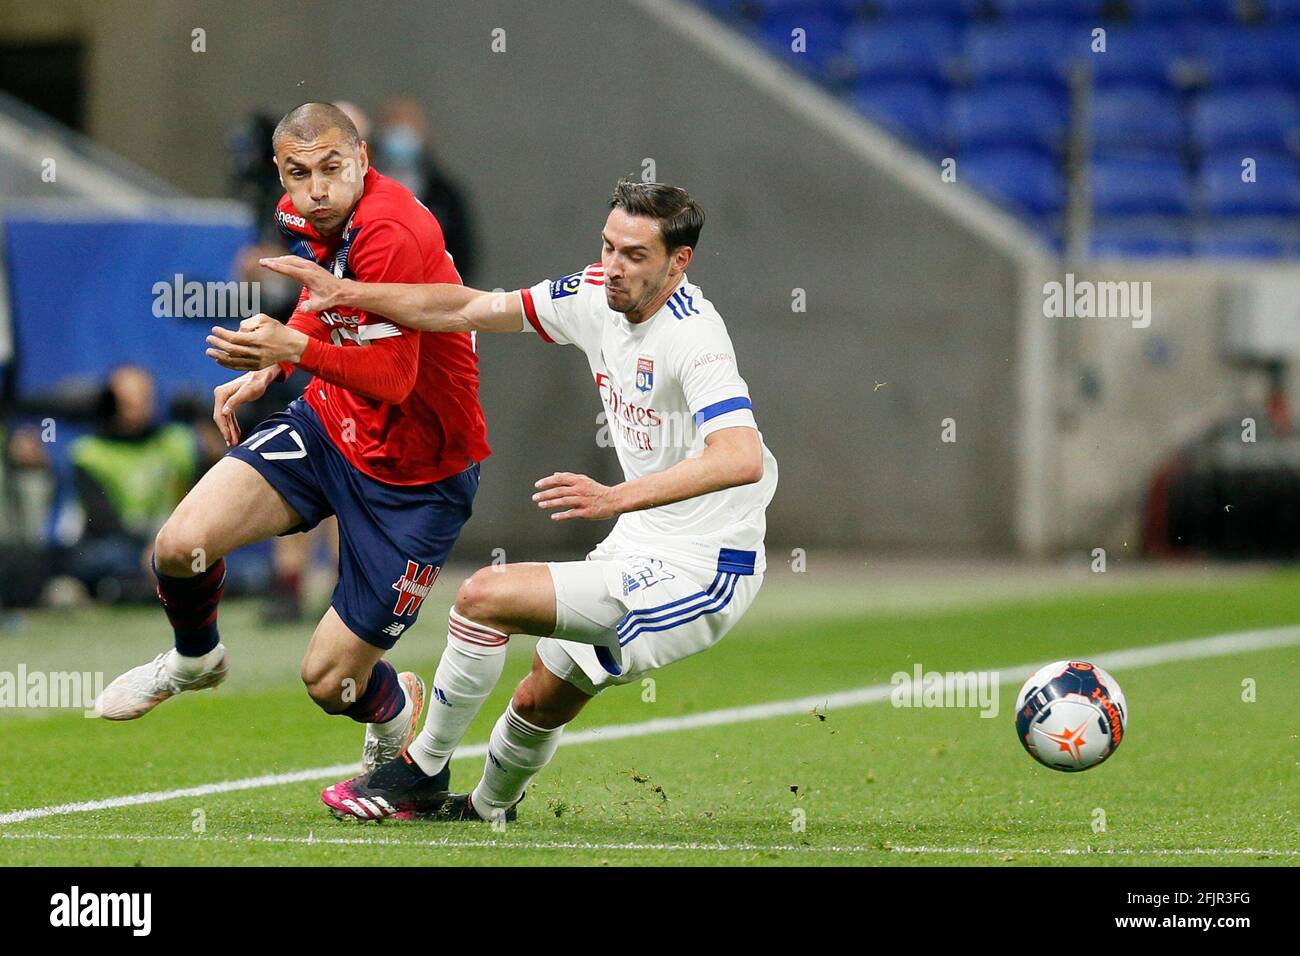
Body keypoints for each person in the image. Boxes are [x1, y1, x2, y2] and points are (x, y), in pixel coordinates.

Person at [260, 178, 777, 824]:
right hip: (640, 544)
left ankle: (420, 770)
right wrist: (349, 294)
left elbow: (740, 457)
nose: (613, 267)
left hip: (706, 565)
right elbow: (470, 309)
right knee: (540, 699)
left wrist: (619, 496)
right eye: (608, 246)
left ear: (680, 262)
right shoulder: (595, 294)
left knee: (483, 598)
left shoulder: (695, 338)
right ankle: (486, 812)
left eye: (635, 256)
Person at [94, 103, 491, 780]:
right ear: (281, 172)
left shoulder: (393, 230)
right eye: (298, 172)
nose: (315, 188)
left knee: (328, 681)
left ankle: (395, 712)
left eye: (332, 168)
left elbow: (395, 380)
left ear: (363, 159)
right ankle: (196, 659)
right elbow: (321, 291)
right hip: (331, 424)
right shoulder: (298, 215)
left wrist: (294, 348)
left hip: (417, 472)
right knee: (178, 547)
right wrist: (275, 363)